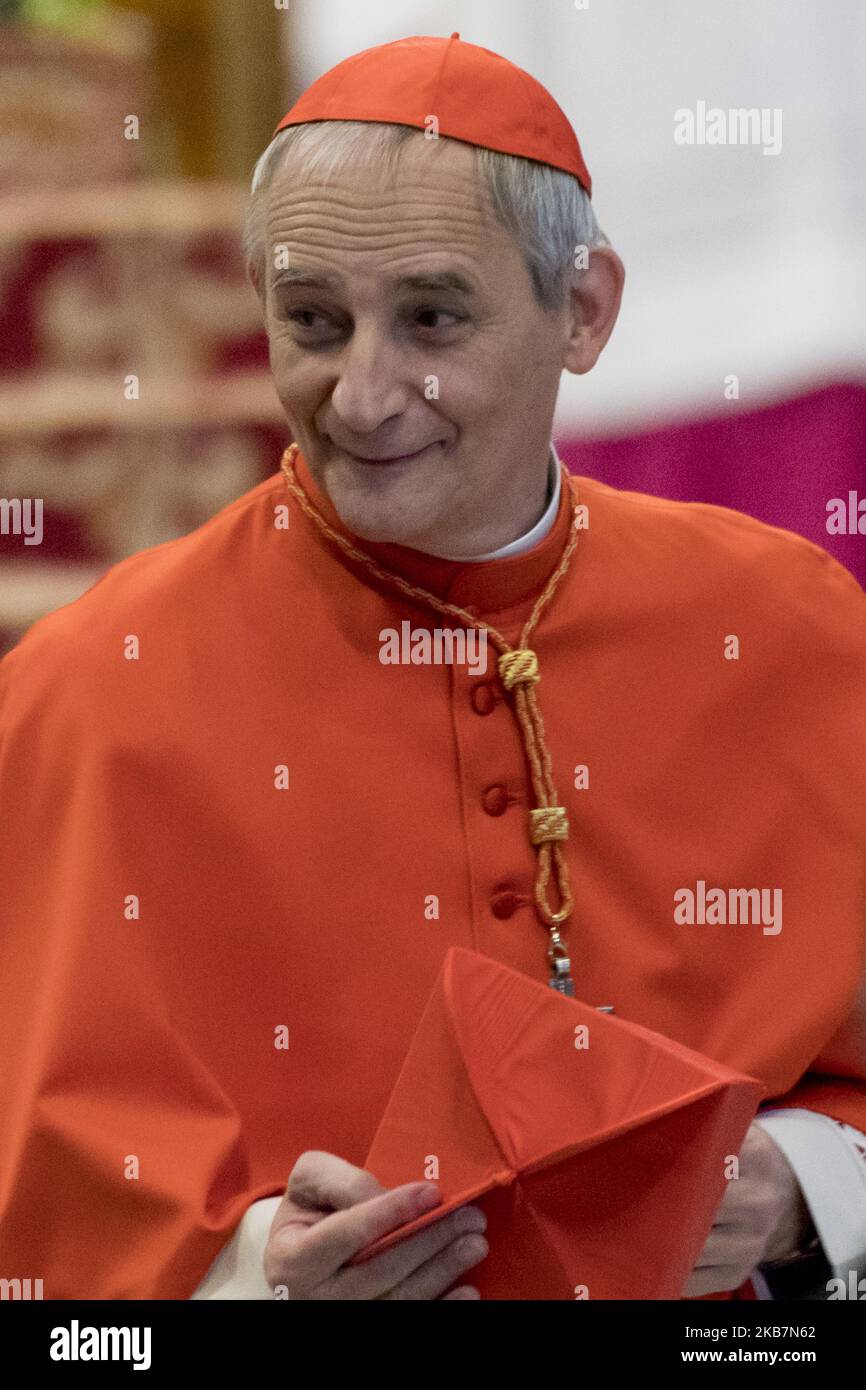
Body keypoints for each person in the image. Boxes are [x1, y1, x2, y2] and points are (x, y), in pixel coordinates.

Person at [1, 33, 865, 1302]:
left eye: (429, 318)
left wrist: (800, 1185)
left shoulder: (788, 628)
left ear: (582, 310)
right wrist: (250, 1282)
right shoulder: (87, 690)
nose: (361, 395)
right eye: (311, 320)